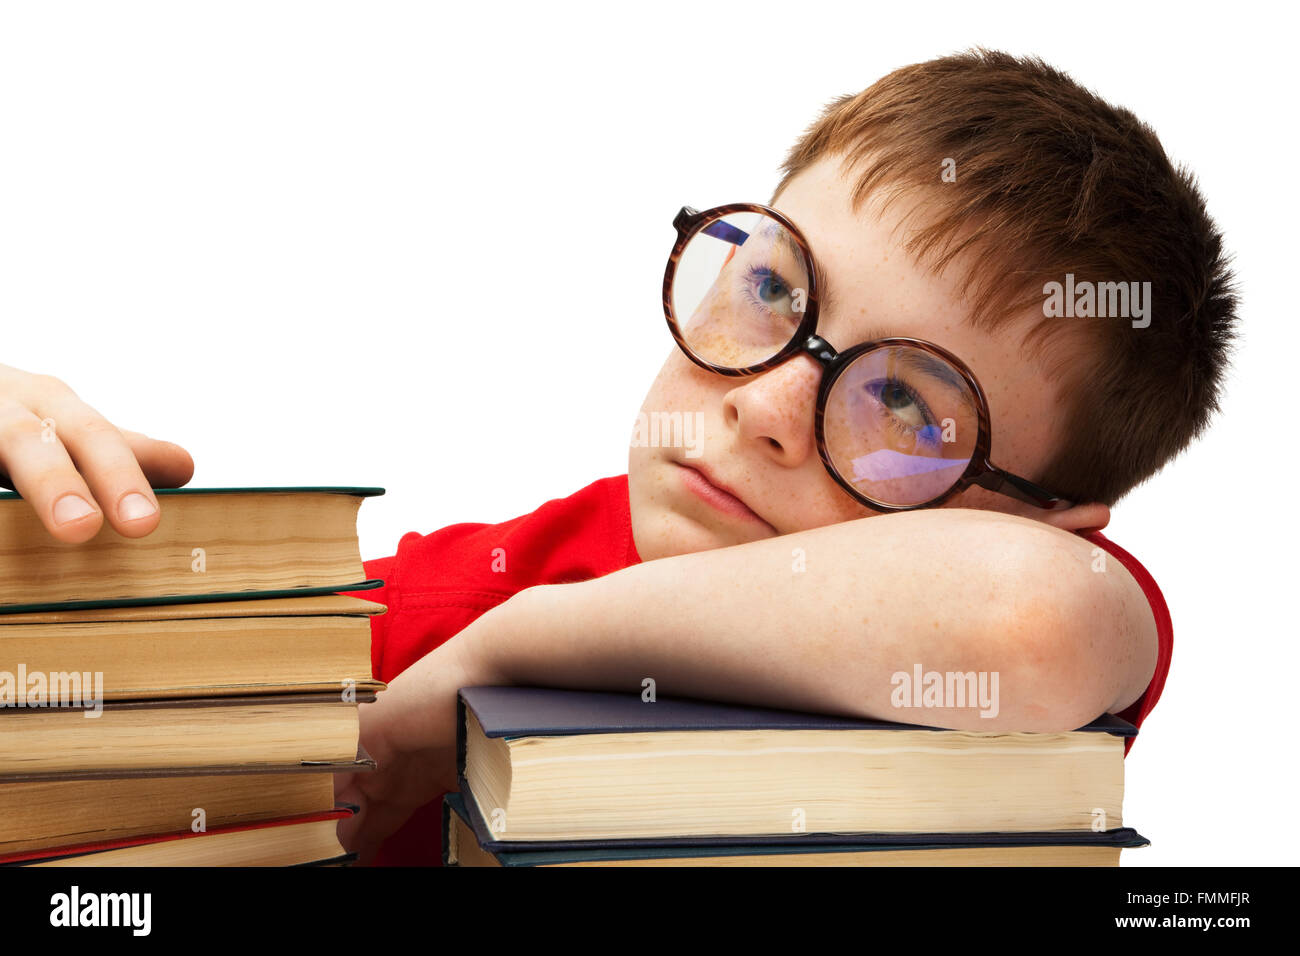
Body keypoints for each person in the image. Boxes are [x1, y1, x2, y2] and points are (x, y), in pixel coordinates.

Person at [0, 50, 1234, 866]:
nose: (763, 405)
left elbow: (1024, 619)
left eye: (908, 409)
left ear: (1046, 516)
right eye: (770, 286)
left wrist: (515, 646)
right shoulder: (422, 602)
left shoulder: (1027, 634)